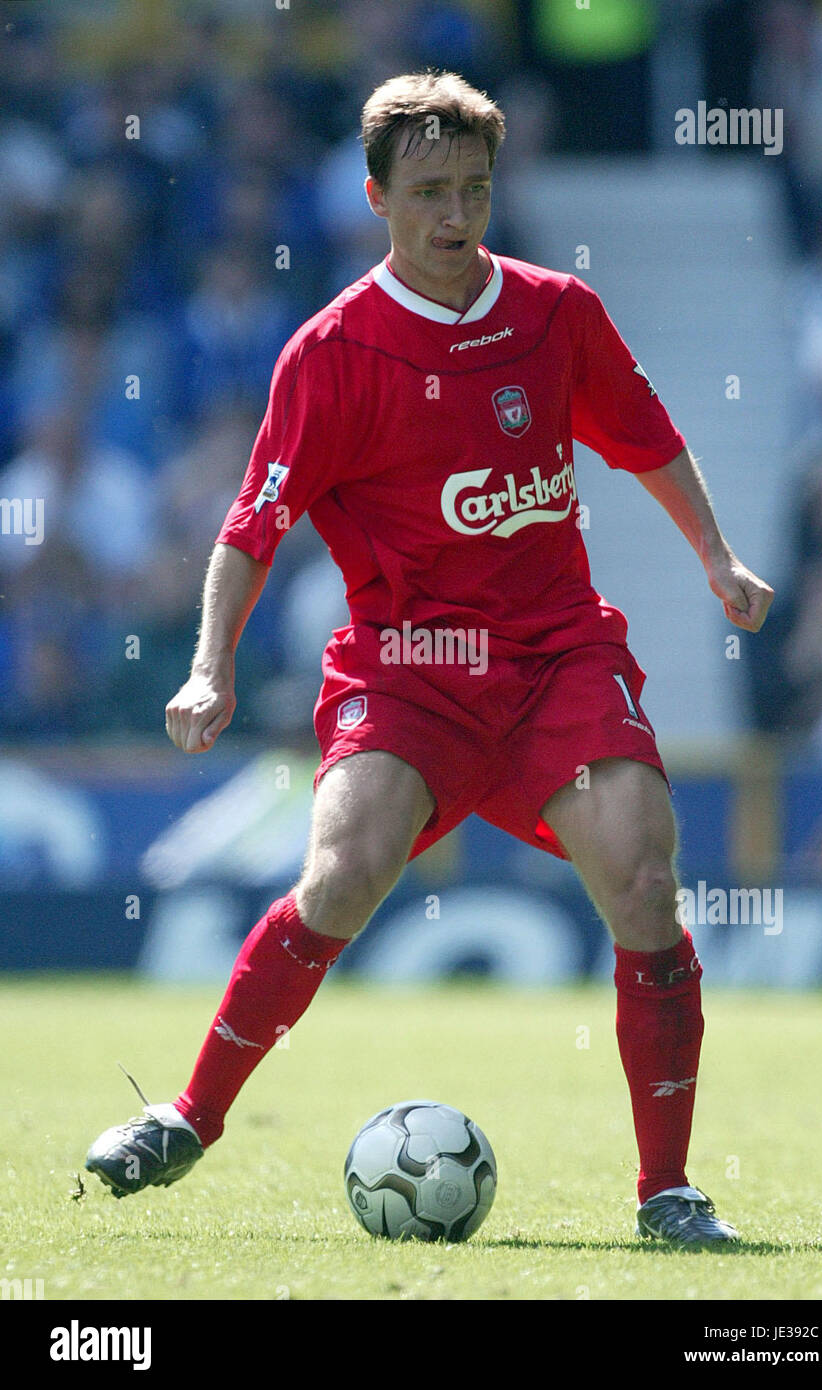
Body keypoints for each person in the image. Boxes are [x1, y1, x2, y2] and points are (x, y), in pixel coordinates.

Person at [86, 70, 774, 1247]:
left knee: (645, 881)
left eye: (473, 188)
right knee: (343, 871)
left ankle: (665, 1191)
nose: (455, 215)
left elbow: (648, 441)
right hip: (405, 670)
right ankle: (188, 1116)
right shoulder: (331, 352)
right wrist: (209, 668)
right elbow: (249, 532)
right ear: (375, 199)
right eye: (428, 193)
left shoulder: (558, 312)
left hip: (556, 655)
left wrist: (713, 557)